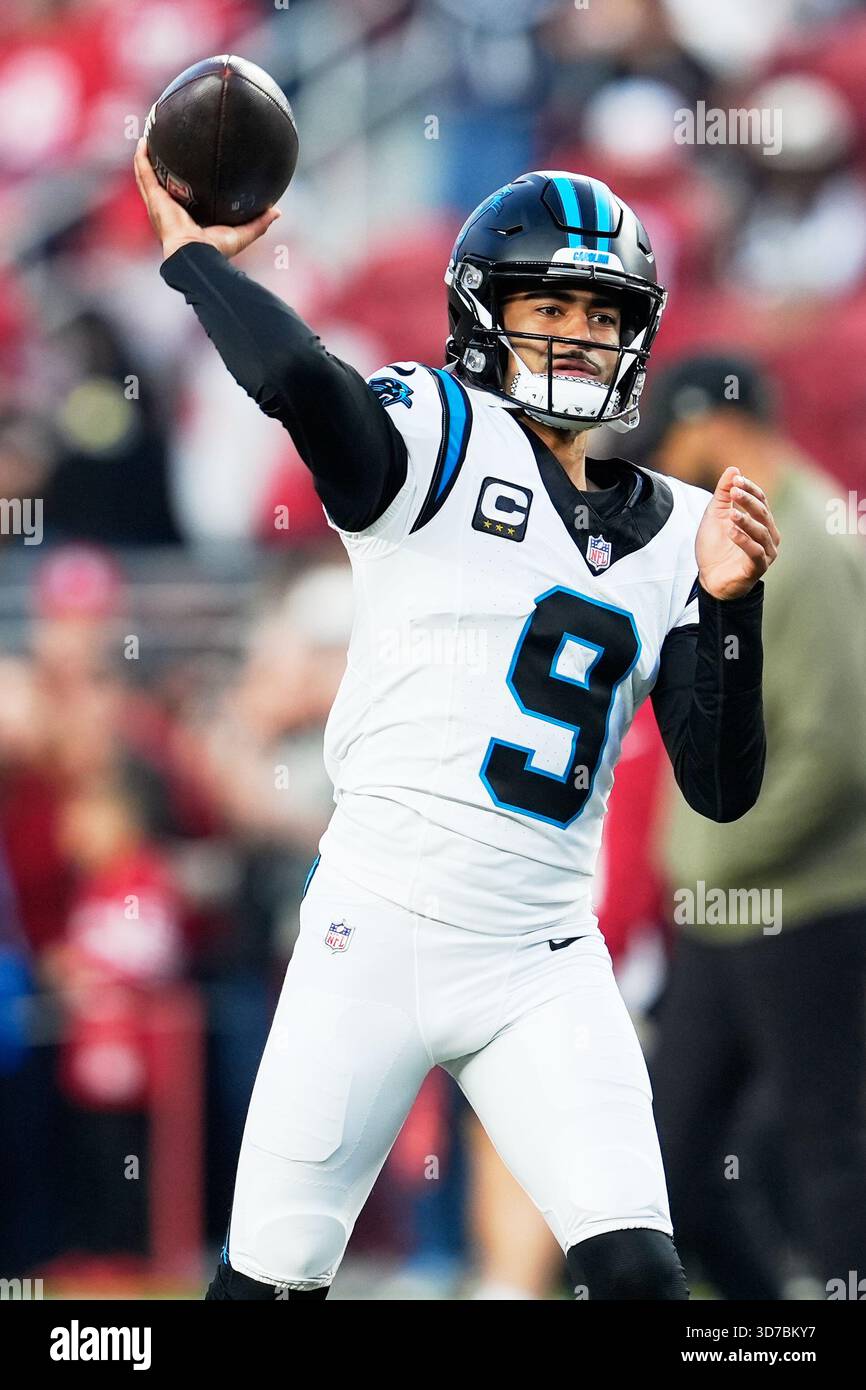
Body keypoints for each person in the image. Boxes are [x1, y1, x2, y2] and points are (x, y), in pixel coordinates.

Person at [134, 144, 780, 1301]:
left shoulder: (684, 531)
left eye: (601, 310)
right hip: (370, 929)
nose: (578, 333)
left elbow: (720, 786)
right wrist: (194, 264)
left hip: (541, 957)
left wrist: (733, 609)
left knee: (641, 1278)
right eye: (549, 305)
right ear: (486, 315)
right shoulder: (431, 436)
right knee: (270, 1284)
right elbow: (299, 381)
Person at [642, 353, 866, 1300]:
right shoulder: (764, 528)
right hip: (728, 910)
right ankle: (766, 1330)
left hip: (804, 903)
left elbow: (840, 747)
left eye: (679, 440)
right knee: (670, 1172)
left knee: (831, 1155)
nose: (671, 462)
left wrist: (711, 847)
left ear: (717, 426)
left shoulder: (808, 534)